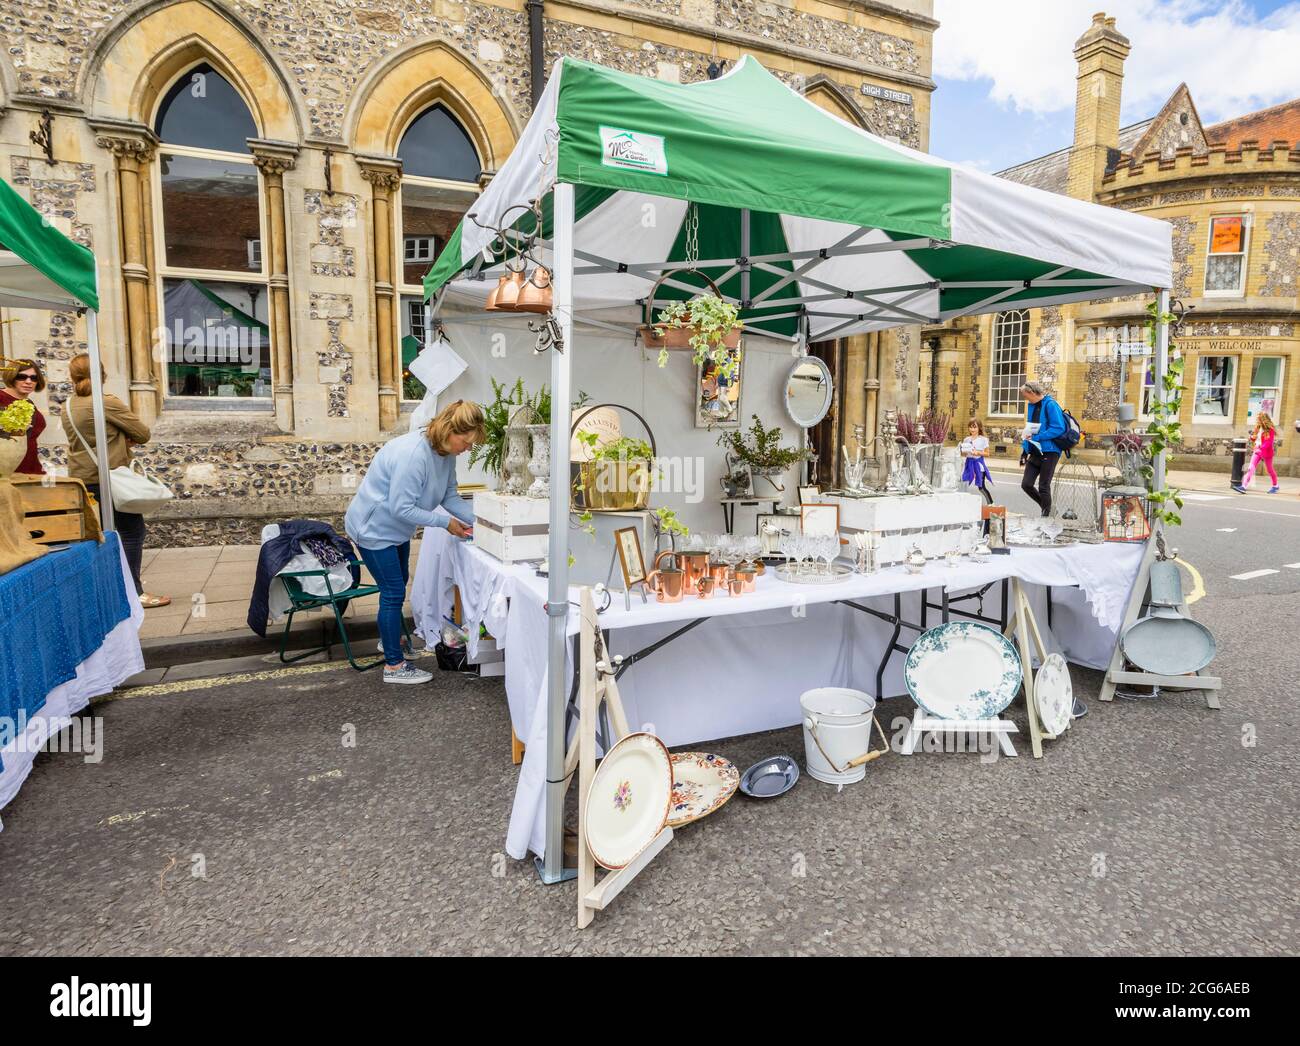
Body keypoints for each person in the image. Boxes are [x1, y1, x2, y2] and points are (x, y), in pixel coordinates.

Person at [344, 399, 484, 685]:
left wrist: (483, 522)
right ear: (450, 431)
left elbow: (450, 497)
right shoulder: (413, 456)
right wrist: (446, 523)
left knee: (399, 583)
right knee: (393, 592)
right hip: (373, 529)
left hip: (395, 530)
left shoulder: (446, 454)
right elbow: (401, 508)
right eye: (466, 441)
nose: (468, 448)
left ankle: (389, 642)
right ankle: (394, 667)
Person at [62, 353, 171, 608]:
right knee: (131, 533)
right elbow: (143, 433)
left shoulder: (68, 405)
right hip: (110, 478)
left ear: (72, 376)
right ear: (103, 375)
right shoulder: (105, 402)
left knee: (96, 536)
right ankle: (134, 593)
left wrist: (118, 437)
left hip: (82, 479)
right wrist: (124, 438)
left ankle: (103, 592)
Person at [1018, 380, 1067, 517]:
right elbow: (1030, 430)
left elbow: (1058, 428)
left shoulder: (1050, 405)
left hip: (1050, 451)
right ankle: (1049, 509)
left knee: (1044, 486)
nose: (1025, 398)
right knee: (1026, 484)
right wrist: (1024, 451)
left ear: (1032, 392)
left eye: (1025, 395)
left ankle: (1046, 518)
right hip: (1035, 451)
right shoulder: (1031, 406)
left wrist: (1039, 437)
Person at [0, 359, 48, 475]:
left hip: (31, 471)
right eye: (22, 377)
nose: (28, 381)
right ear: (12, 377)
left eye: (33, 378)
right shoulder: (1, 398)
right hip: (7, 473)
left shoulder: (29, 403)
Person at [1234, 412, 1279, 494]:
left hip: (1266, 452)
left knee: (1269, 470)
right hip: (1257, 451)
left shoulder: (1270, 430)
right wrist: (1252, 437)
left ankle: (1275, 486)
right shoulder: (1257, 428)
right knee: (1251, 468)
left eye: (1258, 419)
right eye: (1257, 419)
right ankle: (1243, 486)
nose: (1257, 420)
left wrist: (1260, 448)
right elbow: (1255, 439)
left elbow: (1269, 443)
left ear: (1263, 419)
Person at [959, 418, 994, 504]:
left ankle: (991, 504)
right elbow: (963, 454)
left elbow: (987, 453)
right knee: (964, 484)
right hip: (969, 464)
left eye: (974, 427)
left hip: (979, 464)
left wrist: (977, 452)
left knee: (981, 487)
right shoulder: (966, 439)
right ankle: (961, 504)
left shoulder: (983, 439)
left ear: (979, 428)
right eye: (970, 427)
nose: (972, 429)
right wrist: (961, 450)